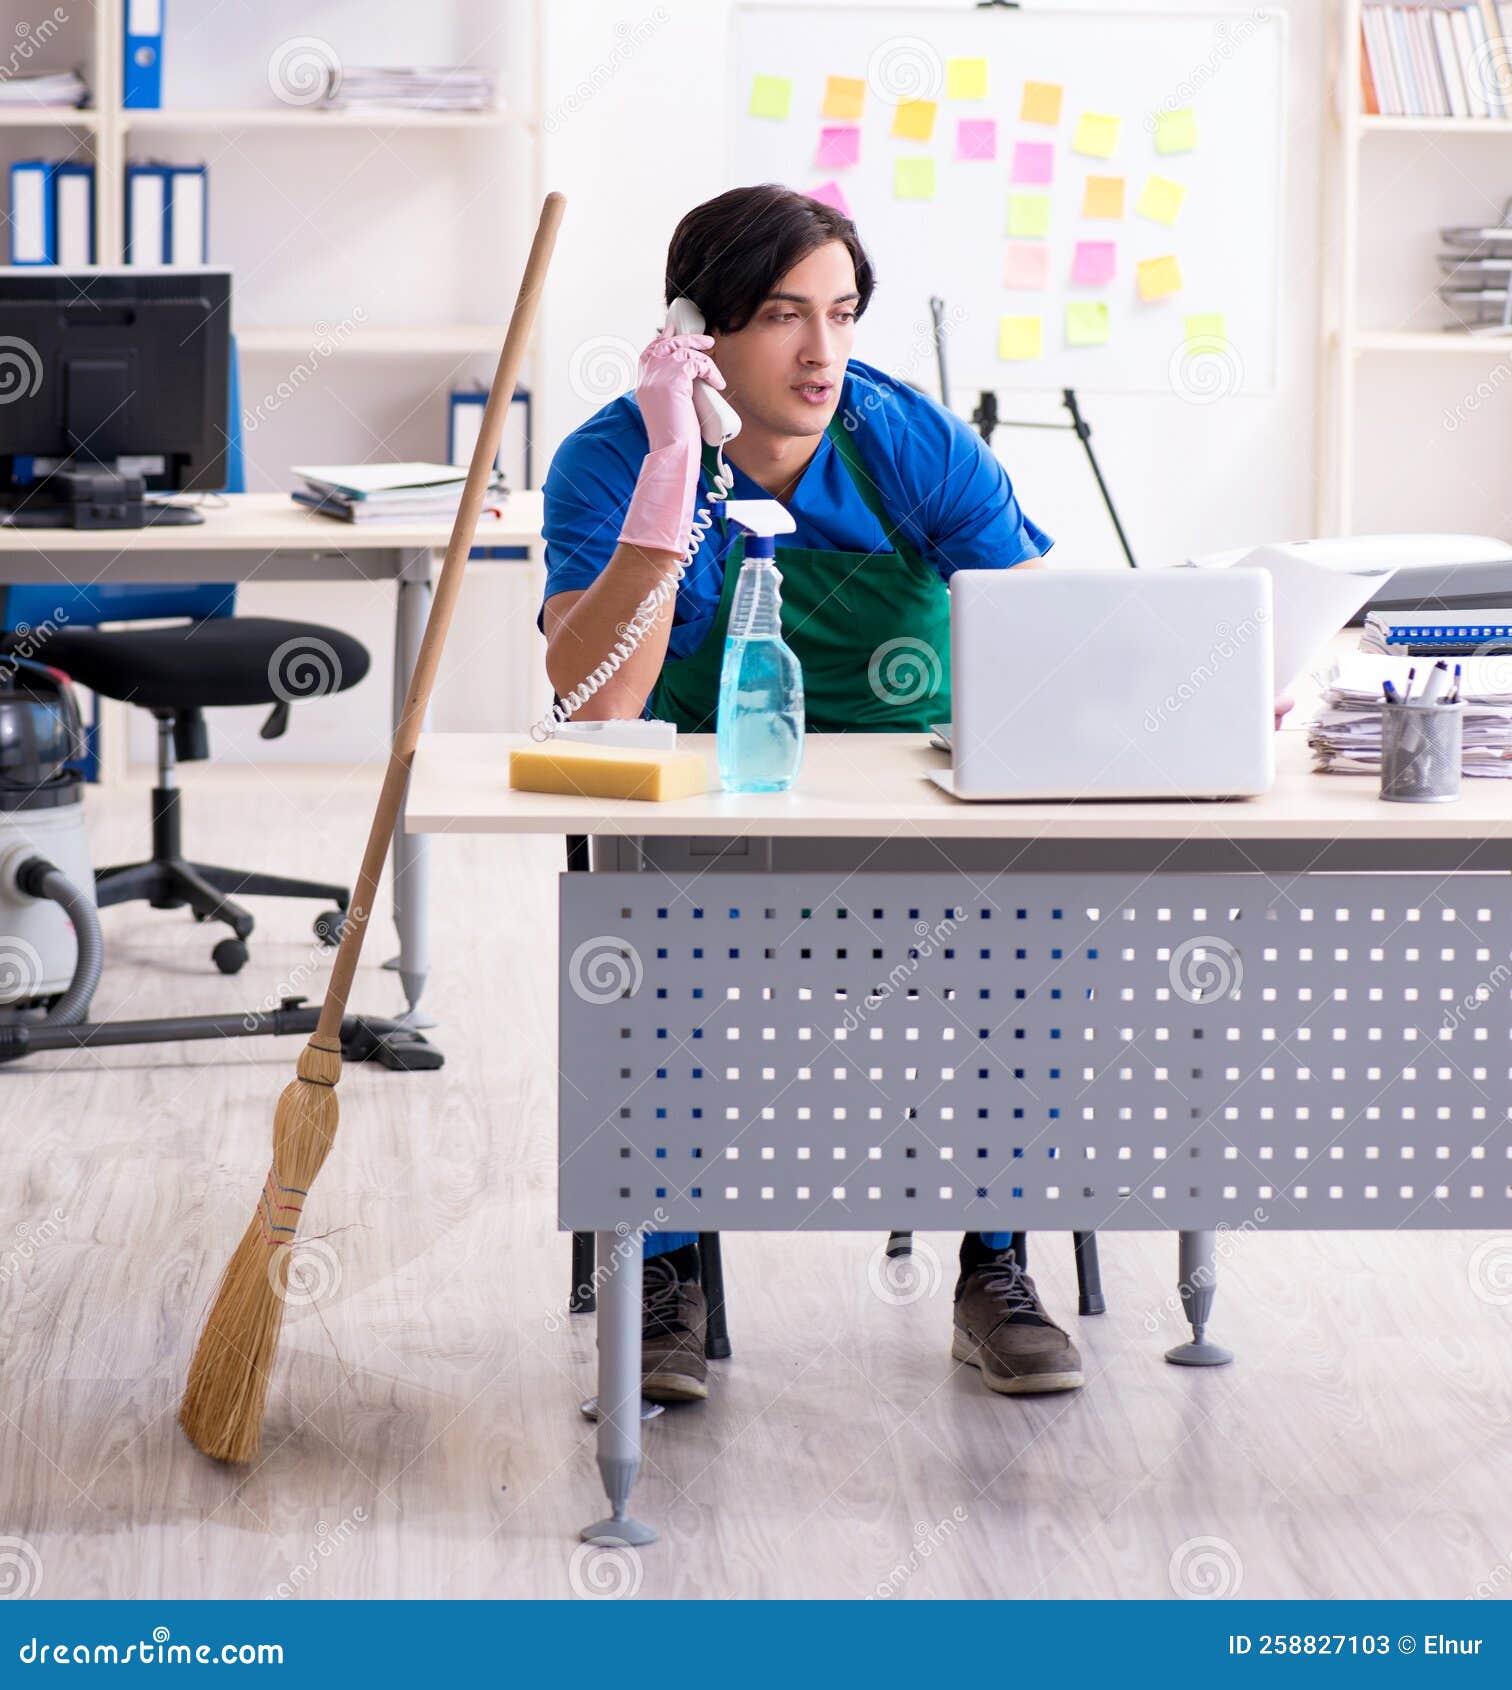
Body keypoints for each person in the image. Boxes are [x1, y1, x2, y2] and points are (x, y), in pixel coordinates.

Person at [540, 182, 1082, 1407]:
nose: (823, 350)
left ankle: (995, 1262)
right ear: (701, 323)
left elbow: (1049, 639)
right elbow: (601, 702)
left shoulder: (911, 442)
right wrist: (677, 465)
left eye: (841, 312)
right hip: (703, 831)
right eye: (786, 314)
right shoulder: (614, 459)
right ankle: (661, 1274)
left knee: (1033, 940)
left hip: (917, 818)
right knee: (634, 953)